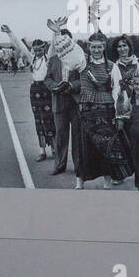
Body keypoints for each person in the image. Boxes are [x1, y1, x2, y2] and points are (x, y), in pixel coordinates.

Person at [75, 33, 133, 189]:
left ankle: (107, 181)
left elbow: (118, 91)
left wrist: (120, 115)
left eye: (99, 46)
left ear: (104, 47)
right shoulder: (81, 63)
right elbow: (67, 54)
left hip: (106, 111)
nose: (96, 50)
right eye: (93, 46)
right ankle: (80, 181)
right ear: (89, 47)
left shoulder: (112, 66)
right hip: (86, 110)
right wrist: (57, 33)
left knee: (106, 146)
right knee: (84, 146)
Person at [2, 24, 55, 162]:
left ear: (44, 48)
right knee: (38, 120)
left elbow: (54, 45)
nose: (37, 52)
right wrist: (10, 33)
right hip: (35, 91)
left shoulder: (48, 58)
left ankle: (55, 149)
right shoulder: (32, 59)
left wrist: (56, 32)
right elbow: (20, 46)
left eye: (40, 49)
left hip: (47, 91)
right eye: (35, 50)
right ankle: (42, 151)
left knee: (50, 120)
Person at [47, 28, 85, 178]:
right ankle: (59, 165)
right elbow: (47, 78)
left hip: (75, 101)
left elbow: (84, 78)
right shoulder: (53, 59)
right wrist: (54, 86)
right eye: (60, 40)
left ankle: (79, 166)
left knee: (77, 136)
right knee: (61, 136)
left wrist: (72, 86)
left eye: (66, 40)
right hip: (59, 102)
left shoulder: (80, 58)